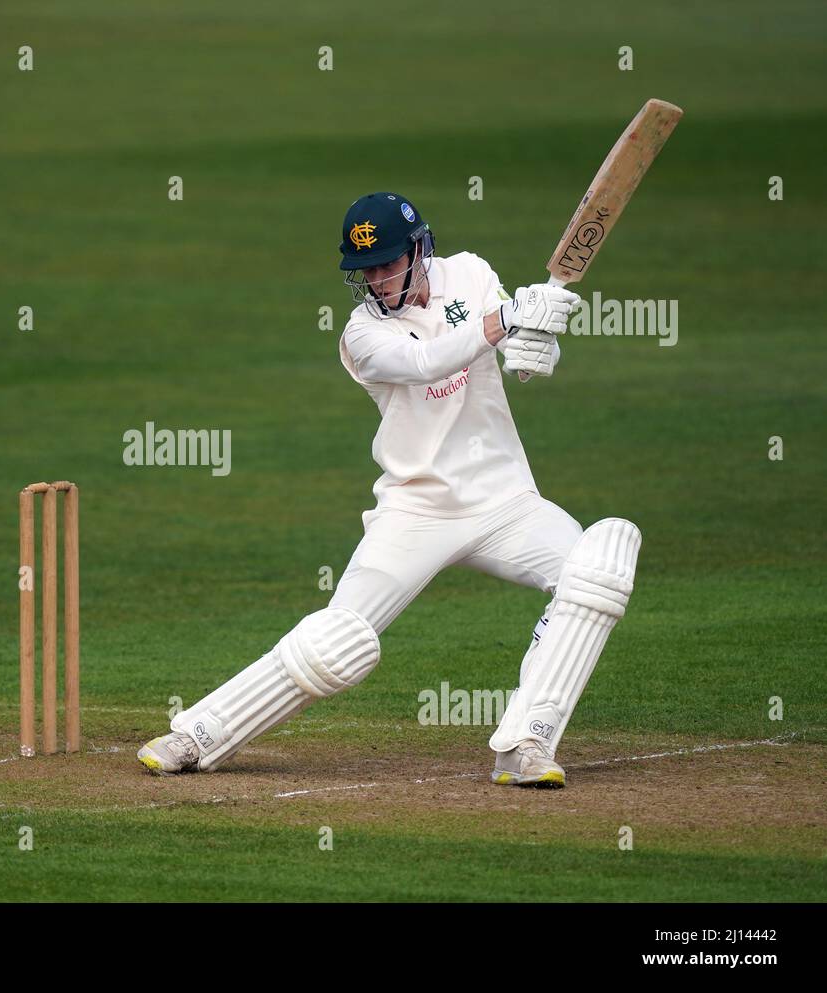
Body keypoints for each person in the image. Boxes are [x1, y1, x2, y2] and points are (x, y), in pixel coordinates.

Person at [138, 193, 640, 787]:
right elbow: (428, 360)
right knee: (336, 642)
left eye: (388, 263)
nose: (377, 280)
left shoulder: (472, 273)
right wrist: (506, 320)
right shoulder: (361, 337)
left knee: (596, 568)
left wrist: (539, 334)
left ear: (420, 248)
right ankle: (199, 732)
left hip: (507, 500)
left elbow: (519, 360)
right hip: (416, 507)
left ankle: (527, 744)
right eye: (366, 270)